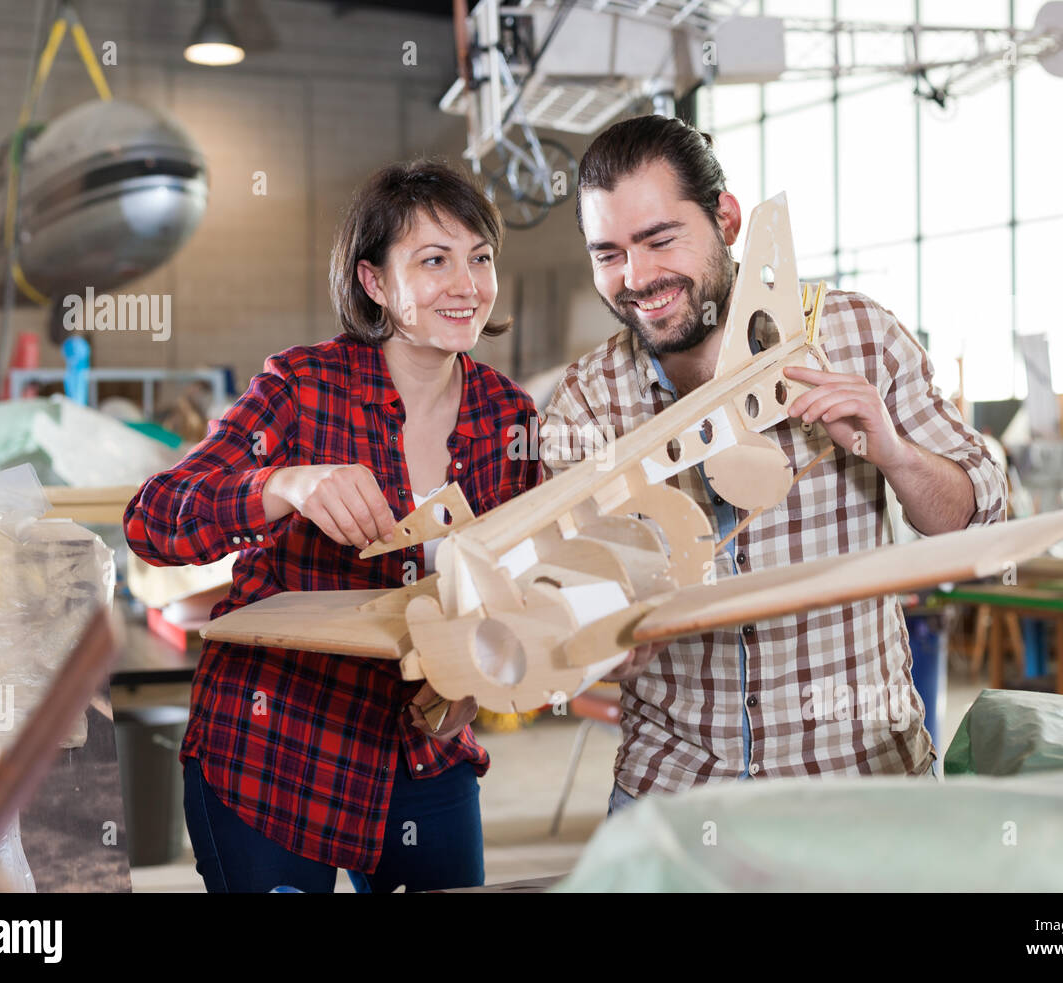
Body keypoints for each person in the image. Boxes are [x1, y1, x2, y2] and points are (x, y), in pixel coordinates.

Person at [541, 115, 1007, 813]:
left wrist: (893, 450)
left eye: (660, 239)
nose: (636, 278)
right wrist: (595, 643)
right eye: (608, 253)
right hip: (674, 789)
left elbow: (982, 519)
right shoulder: (585, 400)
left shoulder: (859, 337)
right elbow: (564, 603)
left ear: (727, 219)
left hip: (861, 780)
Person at [123, 159, 541, 892]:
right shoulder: (301, 388)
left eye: (480, 258)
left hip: (421, 754)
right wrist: (282, 484)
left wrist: (478, 679)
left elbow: (518, 583)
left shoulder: (508, 417)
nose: (467, 284)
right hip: (276, 752)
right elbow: (153, 520)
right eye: (434, 260)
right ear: (375, 282)